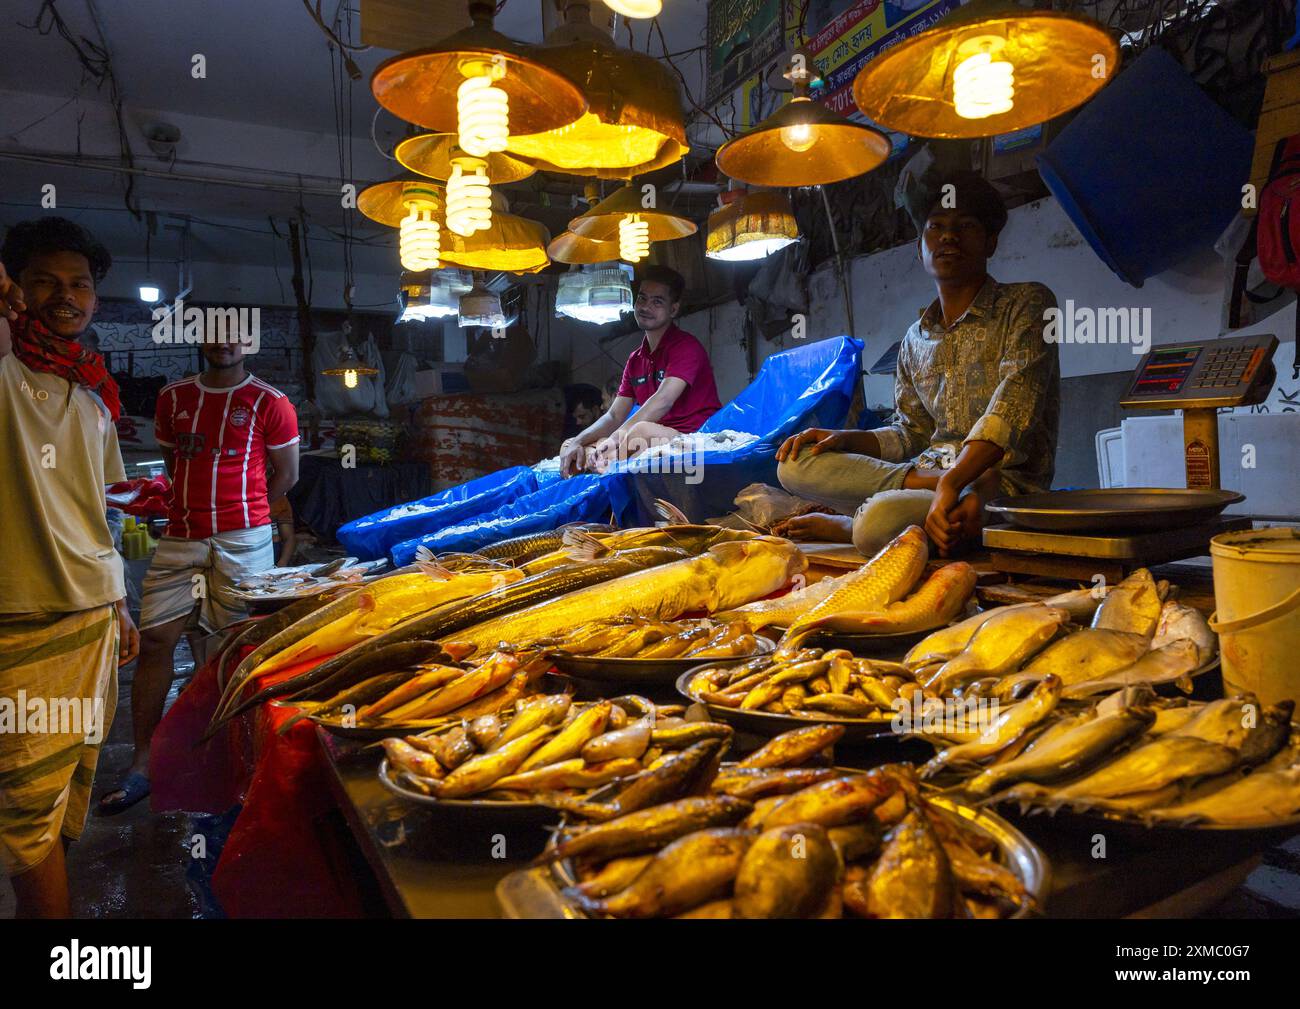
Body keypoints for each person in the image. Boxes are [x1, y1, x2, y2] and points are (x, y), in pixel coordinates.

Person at [775, 171, 1060, 557]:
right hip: (932, 481)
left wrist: (957, 481)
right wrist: (842, 439)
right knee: (793, 463)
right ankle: (915, 497)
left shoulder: (1028, 305)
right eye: (936, 227)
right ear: (919, 247)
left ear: (991, 242)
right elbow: (910, 433)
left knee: (877, 523)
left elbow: (1010, 412)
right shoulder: (914, 339)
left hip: (1002, 487)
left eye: (966, 226)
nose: (948, 236)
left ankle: (853, 524)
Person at [0, 217, 141, 917]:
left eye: (79, 284)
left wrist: (119, 601)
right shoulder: (5, 371)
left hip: (90, 622)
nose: (65, 296)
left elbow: (109, 507)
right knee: (25, 826)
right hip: (22, 626)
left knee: (57, 804)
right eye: (44, 282)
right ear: (14, 291)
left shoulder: (92, 395)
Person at [98, 333, 299, 813]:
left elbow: (286, 475)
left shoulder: (270, 402)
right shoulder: (174, 397)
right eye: (211, 332)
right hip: (182, 536)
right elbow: (174, 463)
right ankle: (143, 765)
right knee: (155, 643)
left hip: (244, 542)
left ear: (248, 342)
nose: (222, 342)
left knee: (233, 650)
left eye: (233, 334)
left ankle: (230, 765)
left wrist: (247, 515)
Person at [559, 265, 721, 476]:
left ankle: (608, 469)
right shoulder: (635, 360)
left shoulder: (686, 347)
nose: (646, 307)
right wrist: (579, 440)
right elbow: (615, 415)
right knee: (572, 448)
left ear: (673, 309)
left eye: (657, 302)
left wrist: (616, 438)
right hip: (652, 441)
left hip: (692, 438)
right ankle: (603, 485)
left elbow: (663, 400)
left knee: (639, 433)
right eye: (642, 299)